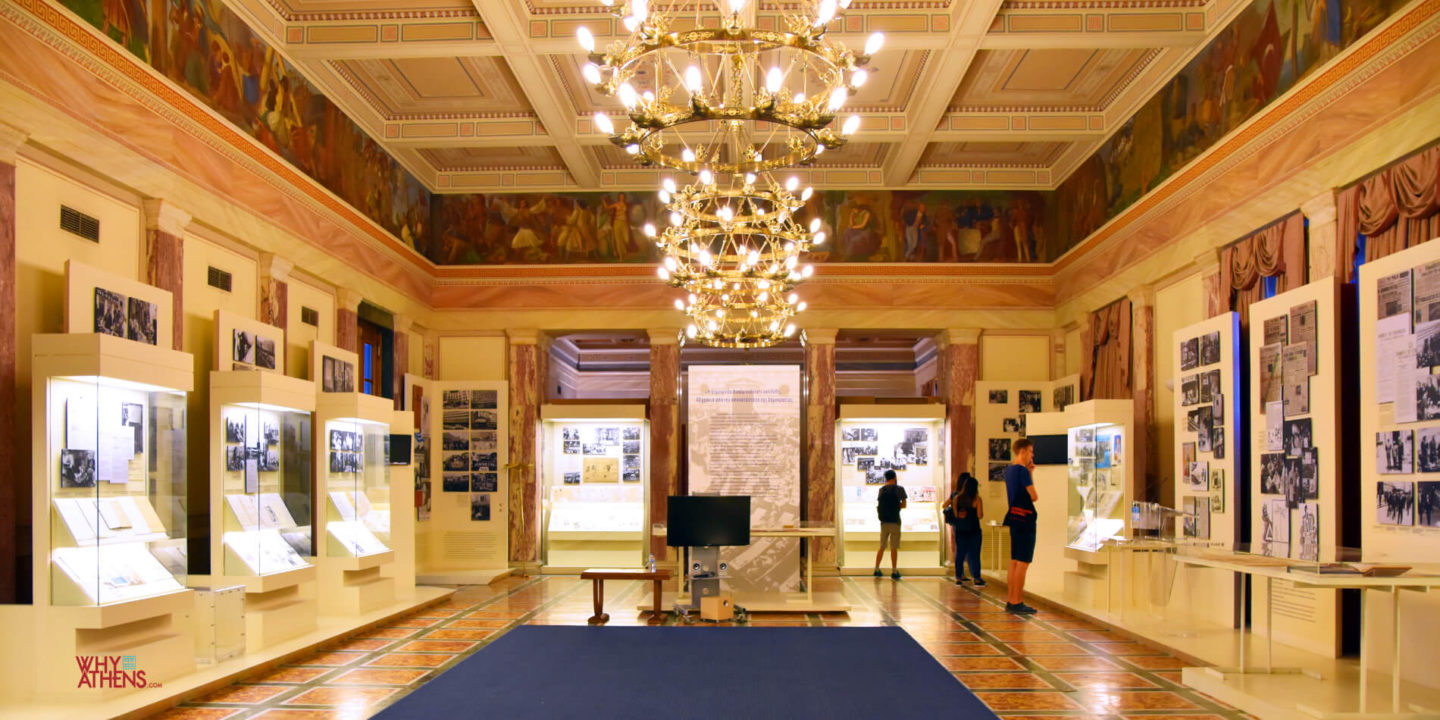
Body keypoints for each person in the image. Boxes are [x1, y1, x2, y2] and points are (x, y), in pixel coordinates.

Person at [1003, 438, 1039, 614]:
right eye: (1031, 451)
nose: (1032, 455)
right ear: (1022, 451)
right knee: (1023, 562)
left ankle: (1011, 598)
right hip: (1025, 519)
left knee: (1014, 561)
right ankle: (1017, 601)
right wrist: (1030, 474)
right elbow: (1033, 495)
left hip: (1014, 518)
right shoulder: (1022, 471)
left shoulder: (1010, 471)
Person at [949, 472, 984, 587]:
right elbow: (979, 515)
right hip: (974, 530)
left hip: (961, 530)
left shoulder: (957, 498)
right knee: (975, 555)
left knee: (960, 554)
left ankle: (958, 577)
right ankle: (977, 578)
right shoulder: (977, 499)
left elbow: (955, 514)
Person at [873, 469, 907, 580]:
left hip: (884, 522)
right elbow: (904, 505)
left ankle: (876, 568)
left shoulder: (882, 490)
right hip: (895, 521)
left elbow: (880, 505)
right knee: (894, 547)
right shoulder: (900, 489)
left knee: (882, 546)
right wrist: (896, 507)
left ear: (886, 478)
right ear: (895, 477)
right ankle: (894, 571)